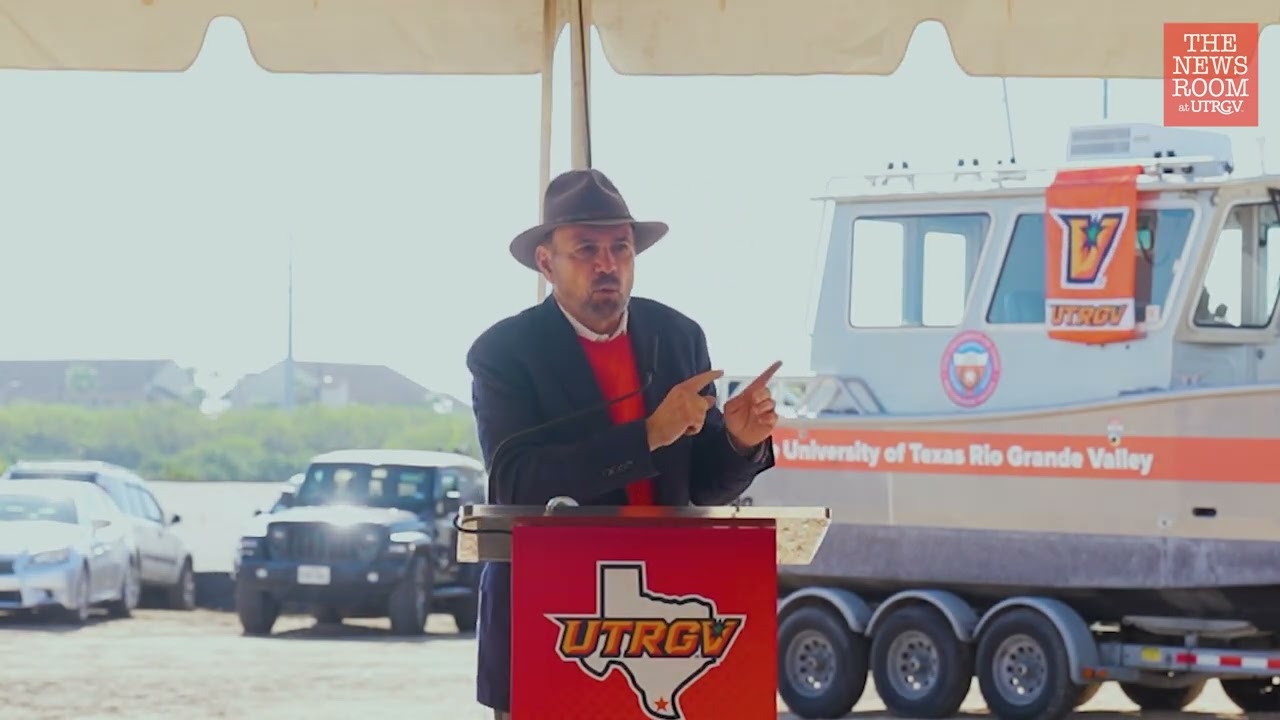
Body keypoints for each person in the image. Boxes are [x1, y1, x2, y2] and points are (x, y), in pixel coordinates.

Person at [465, 168, 781, 719]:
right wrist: (648, 435)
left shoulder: (678, 336)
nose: (607, 264)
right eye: (586, 248)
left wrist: (738, 443)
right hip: (551, 622)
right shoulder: (505, 351)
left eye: (621, 248)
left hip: (662, 622)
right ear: (546, 262)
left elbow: (700, 485)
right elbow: (515, 481)